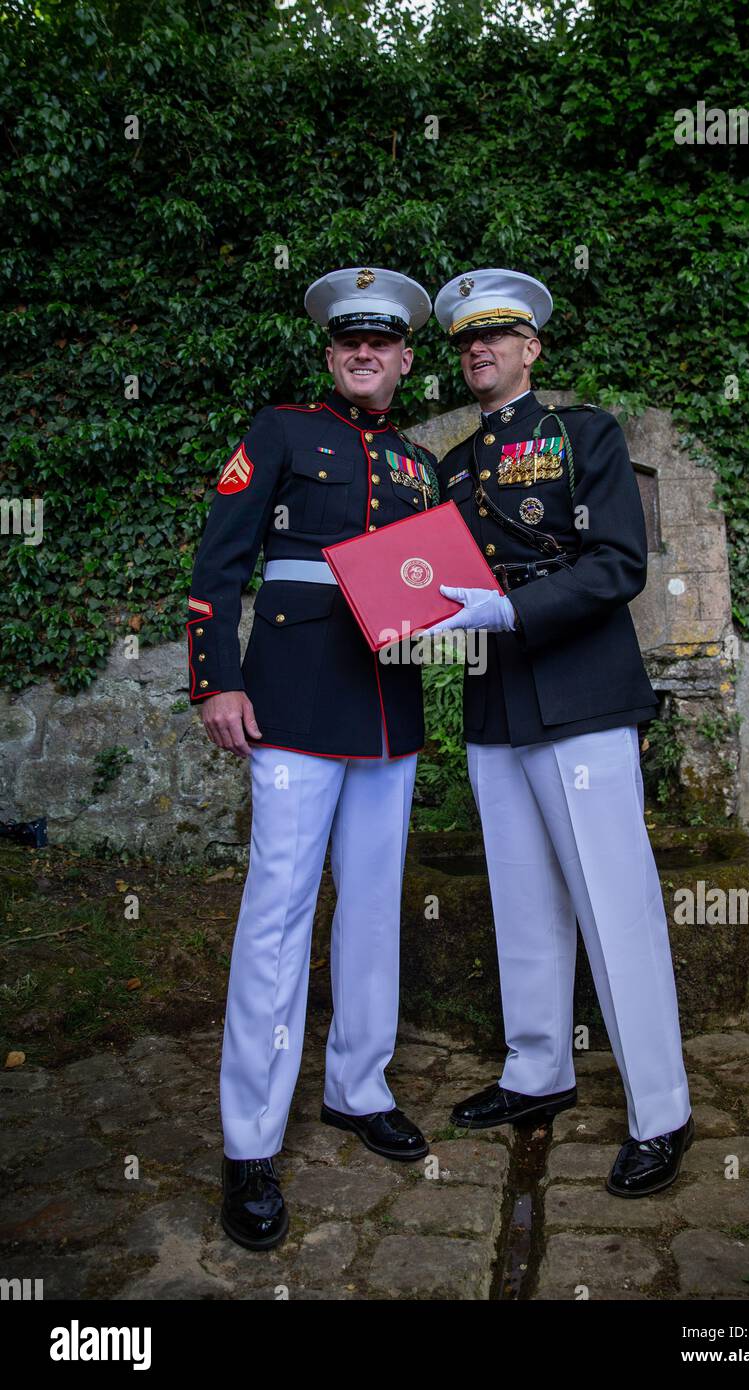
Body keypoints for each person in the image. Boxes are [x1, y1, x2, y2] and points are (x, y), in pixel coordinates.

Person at [185, 267, 440, 1249]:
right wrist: (216, 678)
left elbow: (428, 584)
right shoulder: (280, 431)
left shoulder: (420, 461)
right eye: (348, 344)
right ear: (331, 354)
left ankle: (356, 1084)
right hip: (289, 702)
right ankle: (248, 1141)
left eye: (381, 344)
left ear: (404, 359)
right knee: (277, 913)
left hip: (388, 710)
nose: (364, 355)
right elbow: (220, 561)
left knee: (373, 906)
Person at [428, 268, 694, 1196]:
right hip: (495, 702)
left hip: (579, 690)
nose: (479, 351)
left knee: (614, 905)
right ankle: (536, 1071)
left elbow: (619, 563)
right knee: (523, 900)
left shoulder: (587, 436)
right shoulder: (454, 467)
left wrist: (511, 609)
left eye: (495, 337)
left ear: (531, 348)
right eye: (466, 341)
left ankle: (663, 1109)